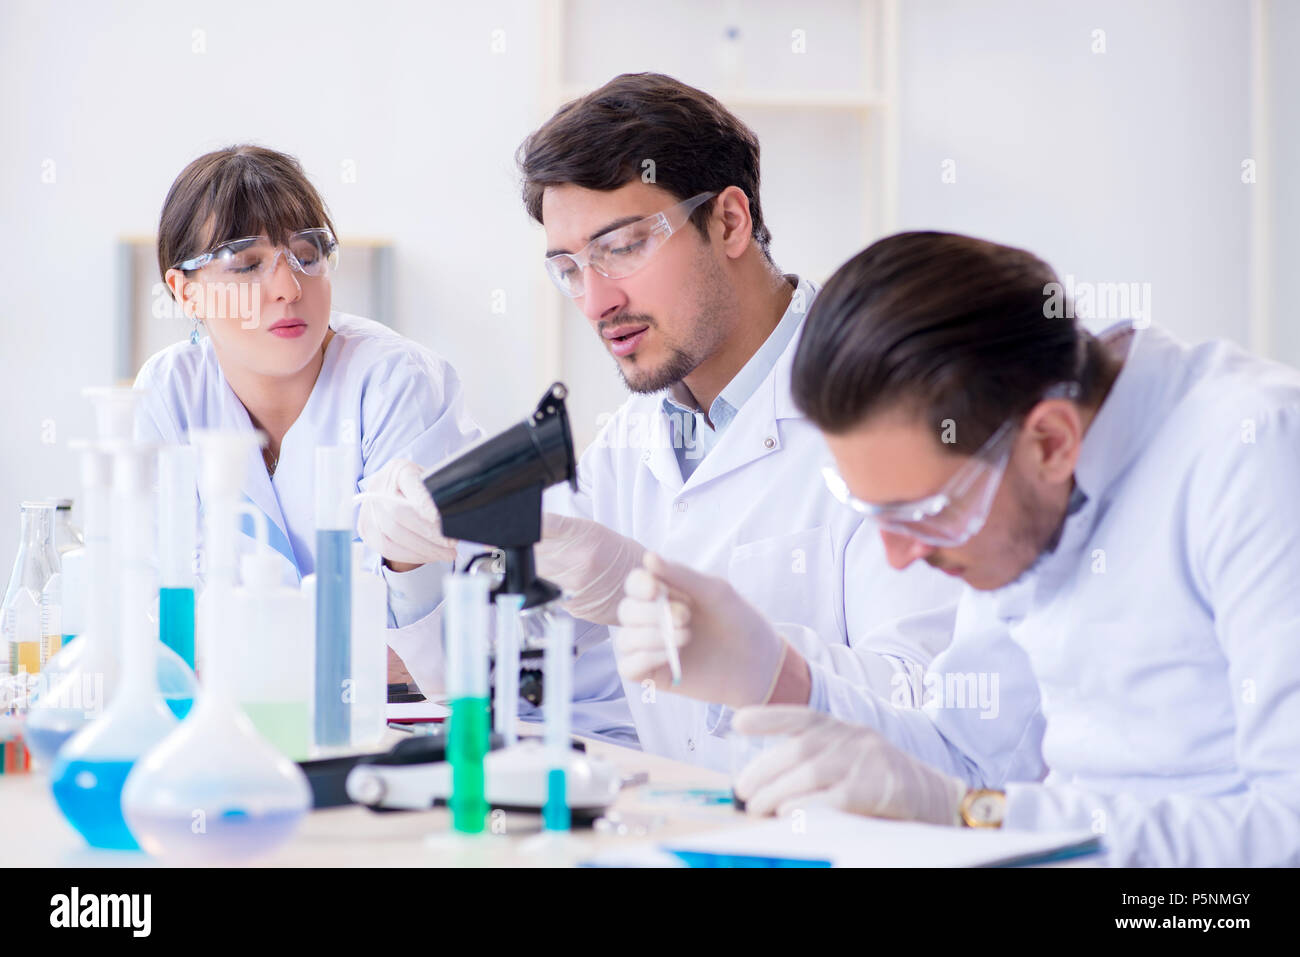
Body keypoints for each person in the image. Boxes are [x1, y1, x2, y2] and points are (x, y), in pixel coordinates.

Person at [619, 231, 1300, 865]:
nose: (898, 556)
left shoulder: (1255, 451)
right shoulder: (1010, 475)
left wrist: (975, 816)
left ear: (1051, 443)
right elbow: (971, 761)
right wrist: (775, 674)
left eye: (924, 513)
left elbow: (1286, 830)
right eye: (873, 513)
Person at [359, 74, 962, 769]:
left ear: (730, 222)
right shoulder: (630, 442)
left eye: (620, 247)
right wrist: (415, 563)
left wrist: (682, 617)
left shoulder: (893, 406)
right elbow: (521, 692)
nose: (595, 301)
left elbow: (936, 720)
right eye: (570, 267)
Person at [133, 145, 482, 684]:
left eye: (307, 256)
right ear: (186, 292)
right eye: (248, 265)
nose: (289, 288)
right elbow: (155, 628)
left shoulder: (397, 382)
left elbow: (425, 655)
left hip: (403, 733)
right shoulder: (170, 391)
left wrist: (243, 657)